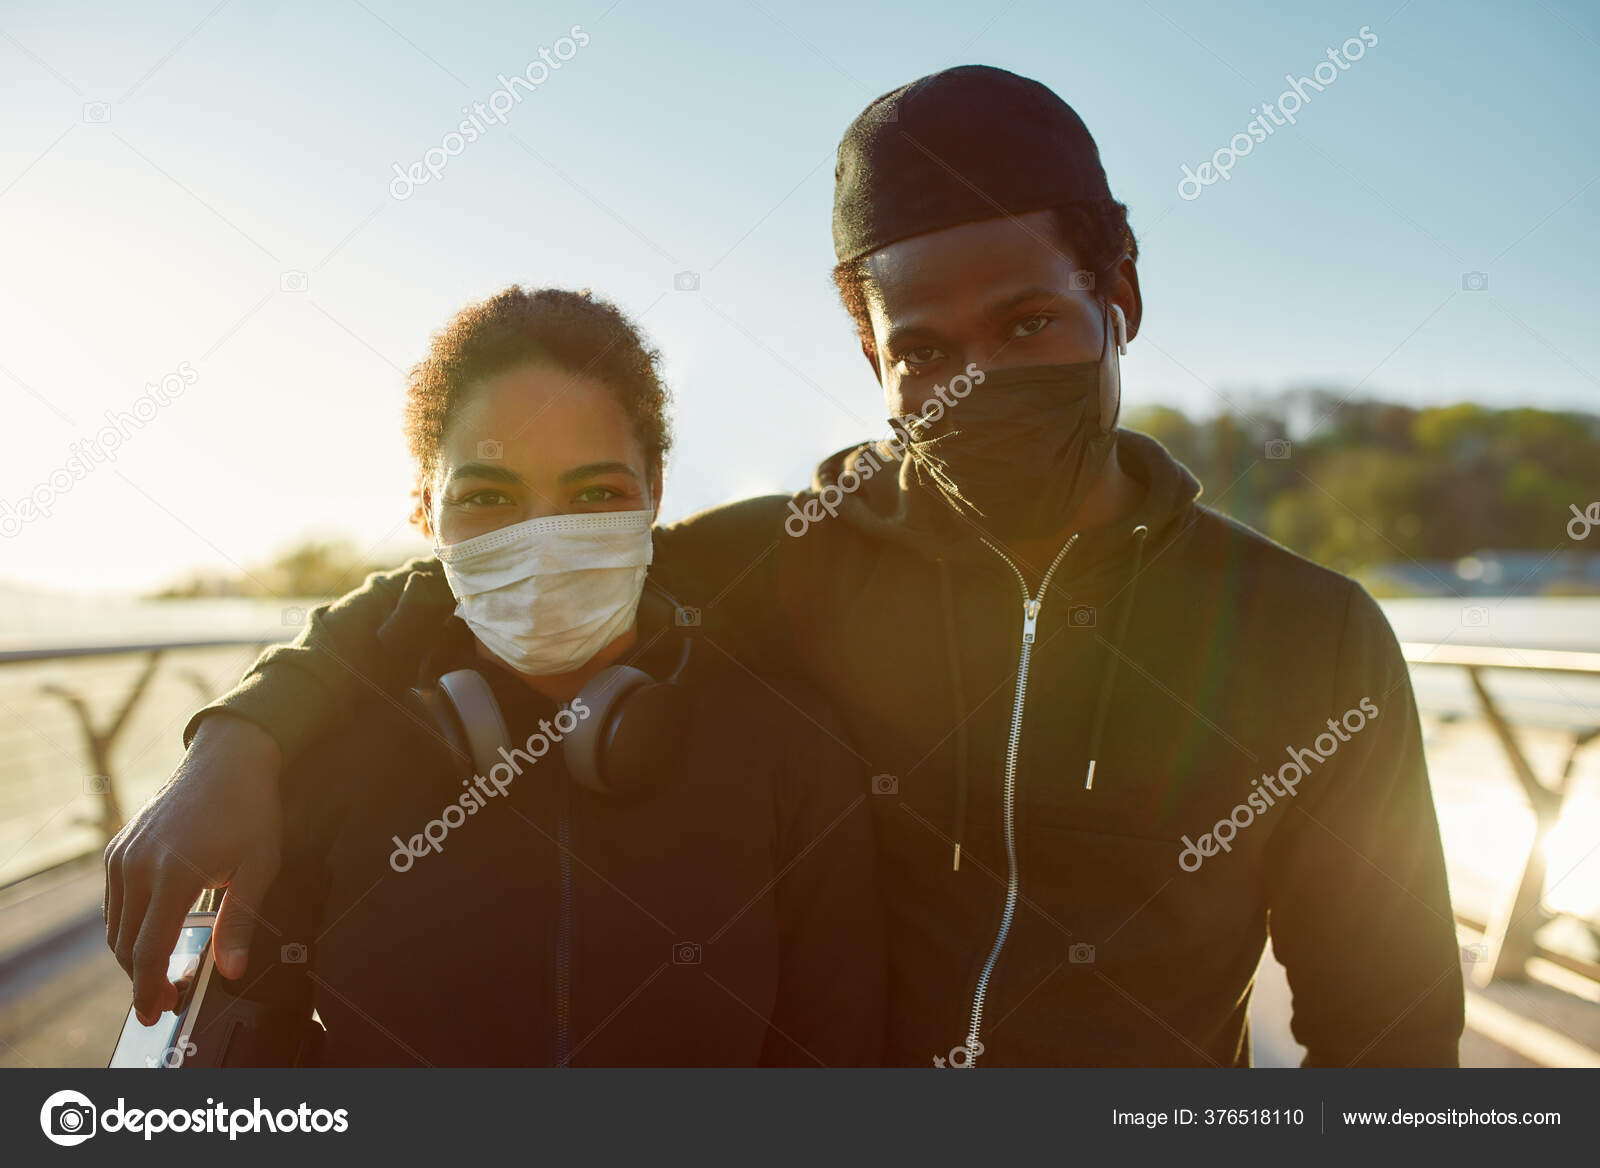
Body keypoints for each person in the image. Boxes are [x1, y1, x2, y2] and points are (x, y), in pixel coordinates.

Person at [106, 66, 1463, 1067]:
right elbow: (479, 573)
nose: (971, 381)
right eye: (924, 349)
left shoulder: (1312, 637)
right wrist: (240, 739)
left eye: (1031, 322)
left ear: (1122, 294)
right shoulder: (780, 563)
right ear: (867, 346)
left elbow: (1386, 1036)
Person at [117, 286, 884, 1066]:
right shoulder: (316, 754)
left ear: (654, 489)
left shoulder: (792, 752)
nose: (543, 539)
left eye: (595, 494)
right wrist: (235, 736)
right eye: (488, 496)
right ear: (424, 509)